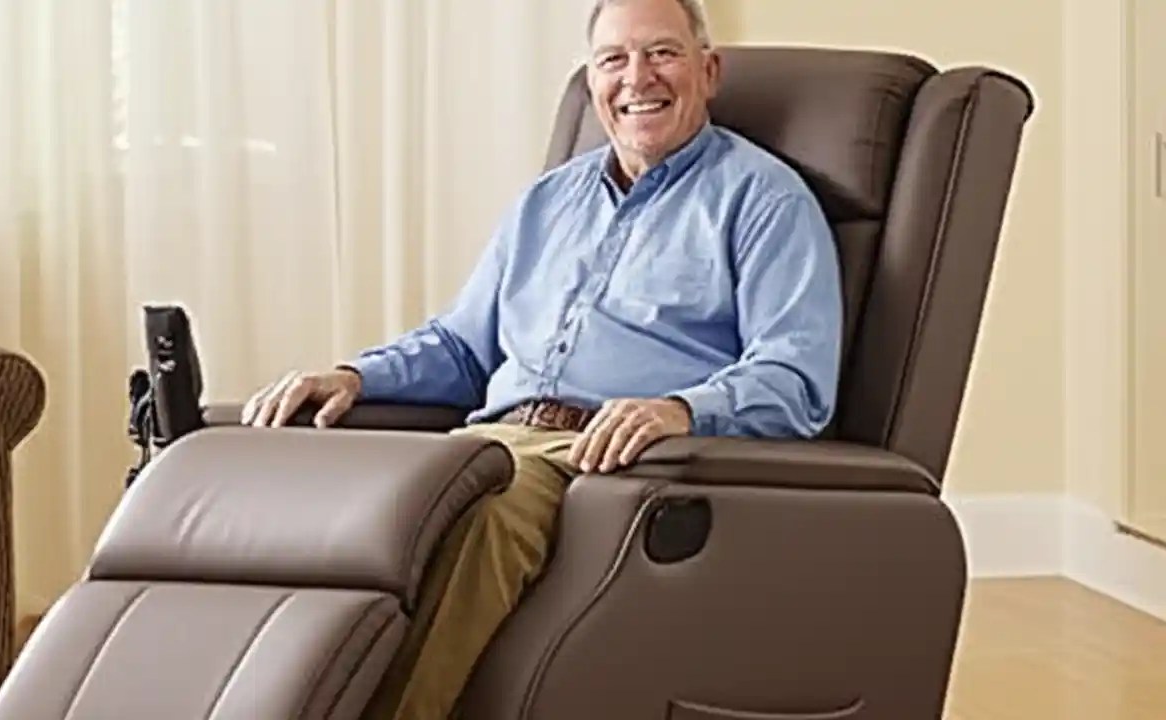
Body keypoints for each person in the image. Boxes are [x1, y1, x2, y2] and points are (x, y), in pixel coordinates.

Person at [241, 0, 842, 717]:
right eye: (613, 59)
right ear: (591, 82)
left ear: (708, 71)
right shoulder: (546, 201)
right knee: (333, 500)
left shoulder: (765, 199)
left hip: (603, 456)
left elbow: (795, 377)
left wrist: (680, 409)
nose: (636, 78)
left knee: (487, 511)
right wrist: (352, 376)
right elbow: (462, 345)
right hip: (484, 439)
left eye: (662, 53)